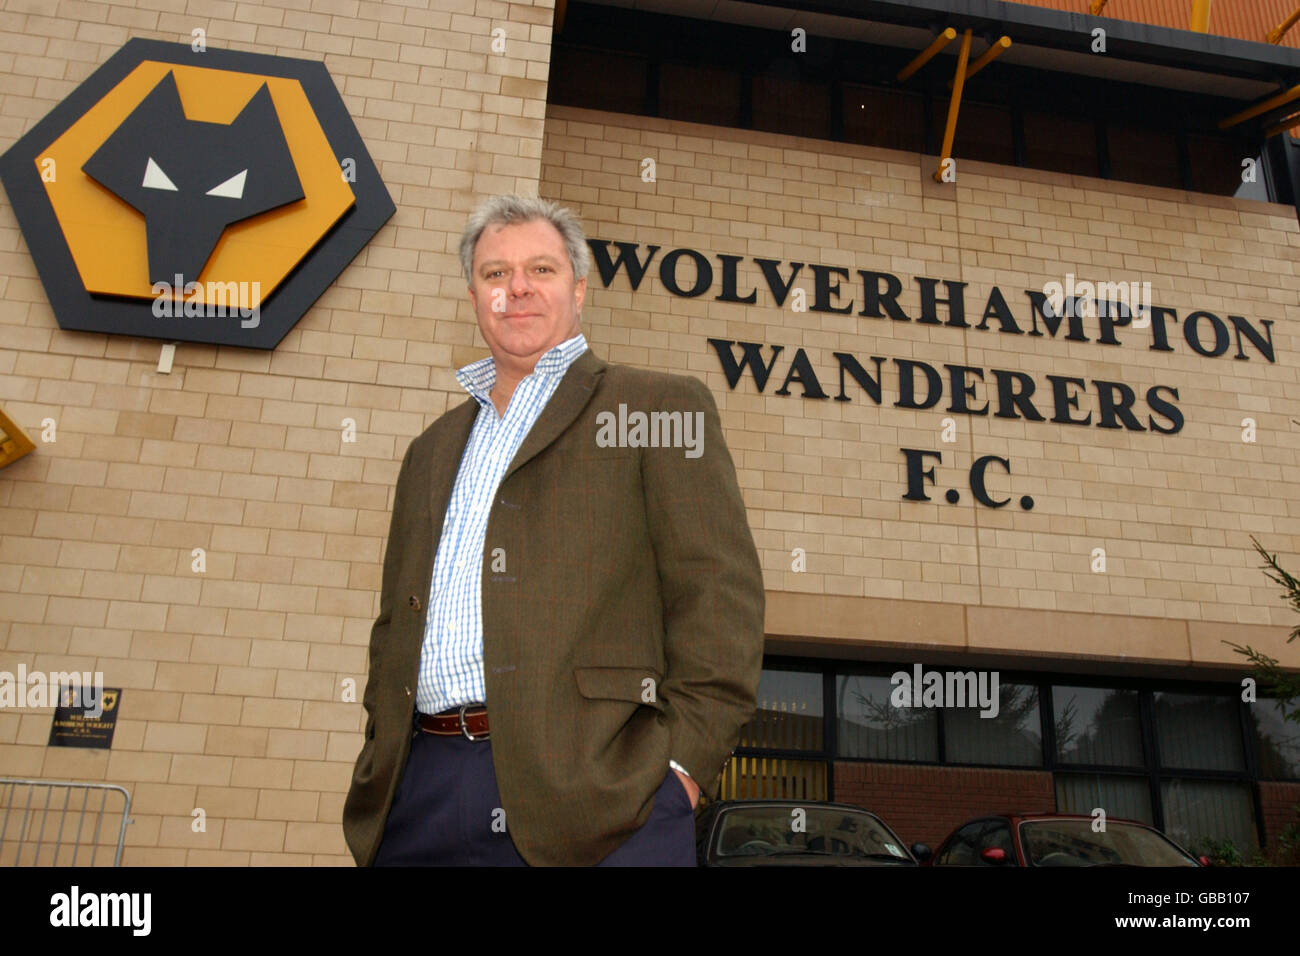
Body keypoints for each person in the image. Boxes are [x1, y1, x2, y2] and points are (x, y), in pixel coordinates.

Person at [342, 194, 765, 866]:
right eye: (494, 274)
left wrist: (678, 773)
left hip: (598, 801)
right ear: (474, 295)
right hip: (420, 793)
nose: (516, 289)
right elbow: (394, 623)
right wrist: (382, 753)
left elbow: (718, 600)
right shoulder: (430, 450)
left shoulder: (657, 407)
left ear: (578, 288)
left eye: (540, 269)